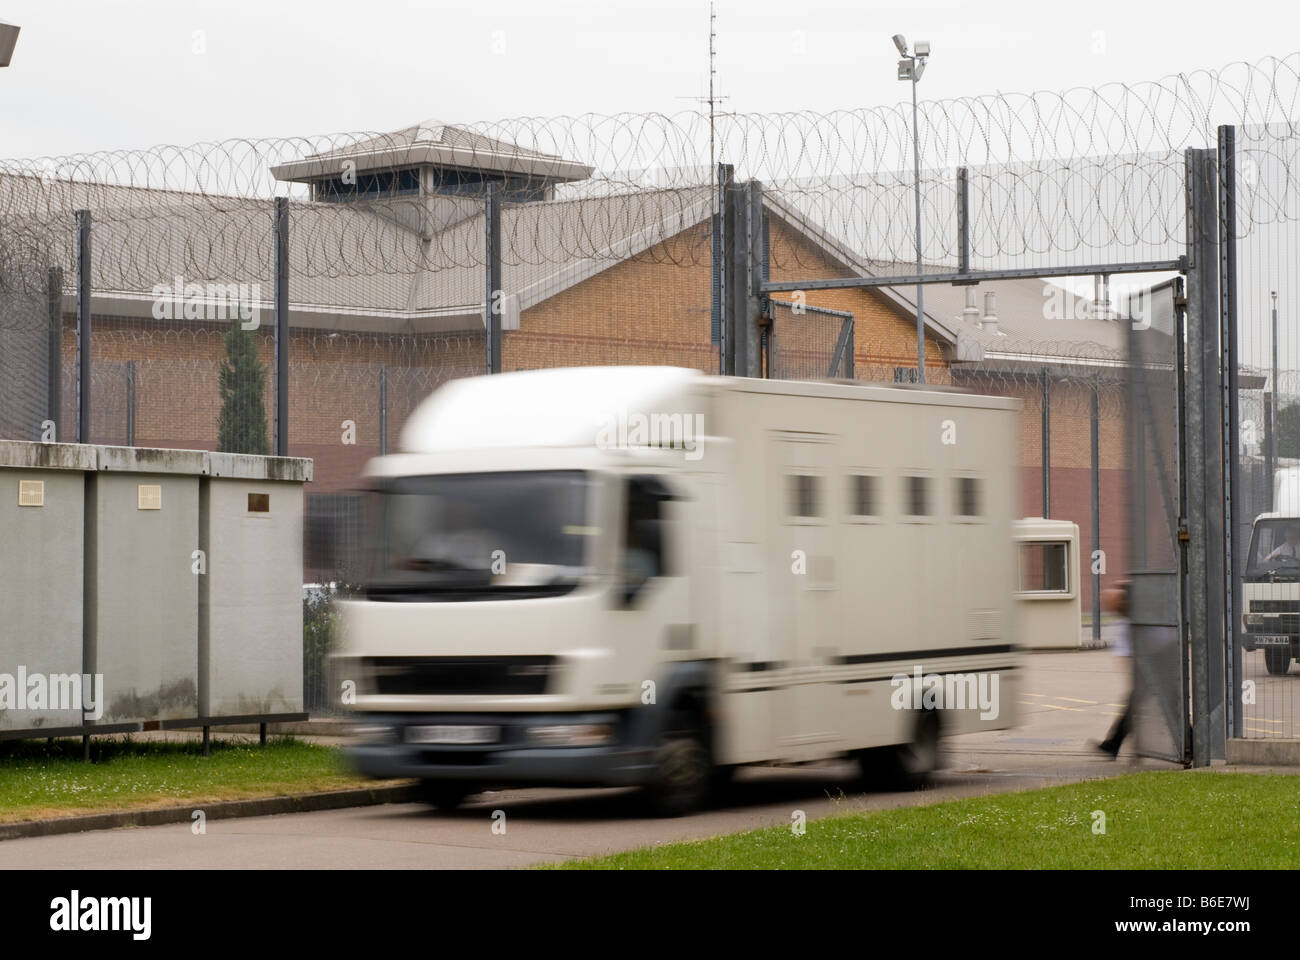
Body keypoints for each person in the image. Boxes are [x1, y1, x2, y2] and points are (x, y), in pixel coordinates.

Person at [1096, 580, 1132, 759]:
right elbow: (1123, 656)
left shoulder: (1130, 623)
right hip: (1146, 675)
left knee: (1133, 710)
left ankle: (1112, 745)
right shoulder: (1125, 624)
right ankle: (1112, 745)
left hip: (1151, 674)